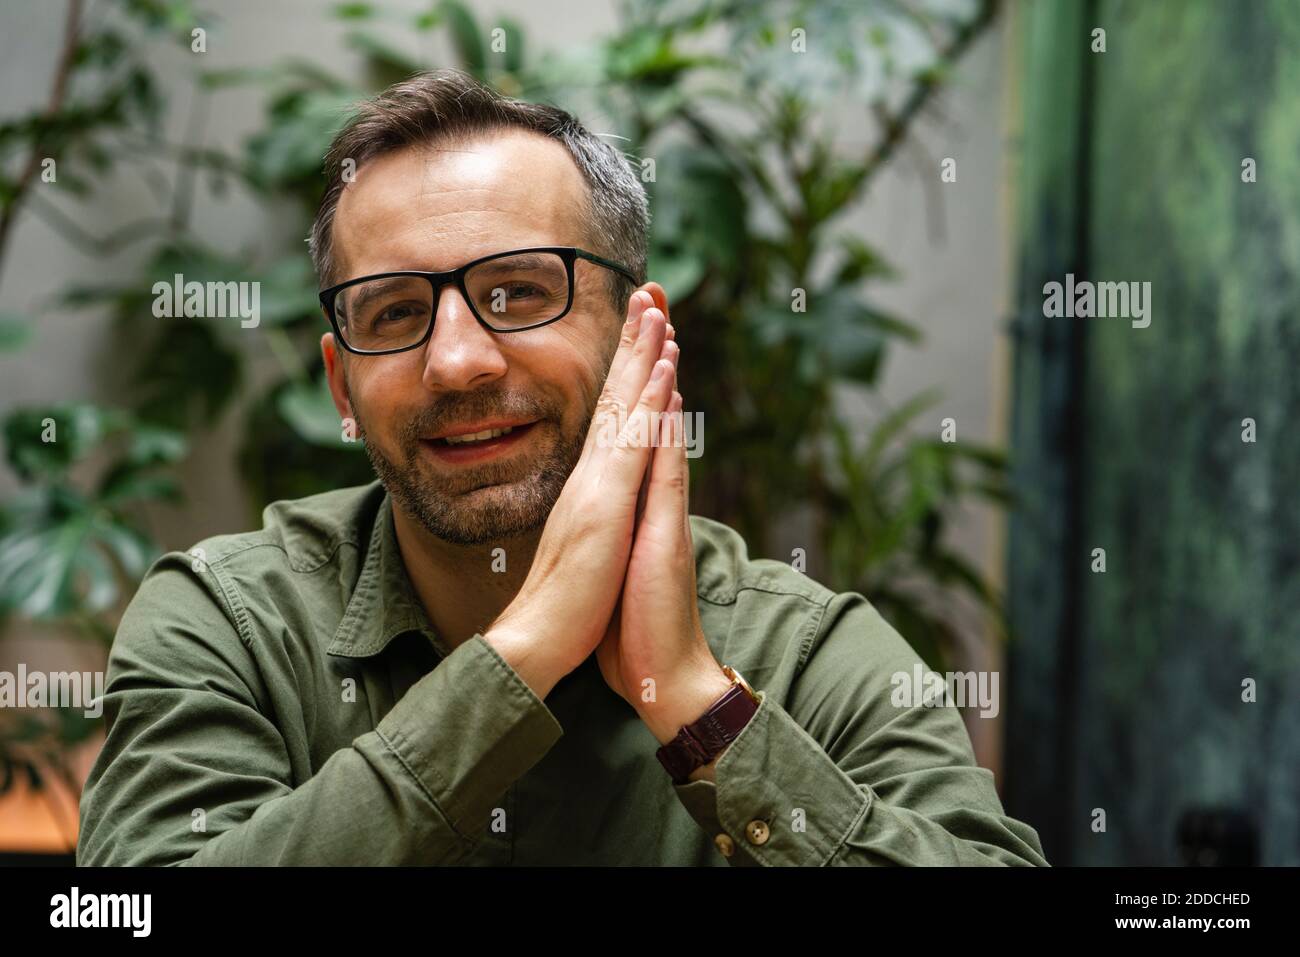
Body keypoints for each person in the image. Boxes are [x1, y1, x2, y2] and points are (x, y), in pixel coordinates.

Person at [77, 69, 1047, 867]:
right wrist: (525, 653)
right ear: (341, 384)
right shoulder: (230, 625)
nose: (457, 361)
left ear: (638, 334)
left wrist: (698, 707)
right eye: (395, 312)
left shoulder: (801, 649)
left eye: (517, 292)